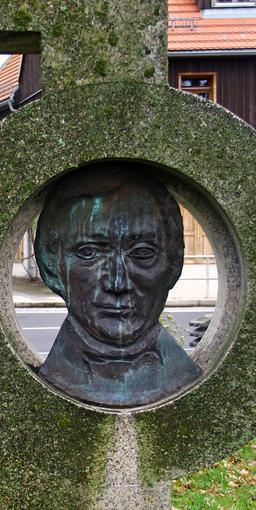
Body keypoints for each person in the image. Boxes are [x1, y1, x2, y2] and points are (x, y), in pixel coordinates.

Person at [34, 162, 201, 407]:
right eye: (89, 252)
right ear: (51, 267)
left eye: (142, 252)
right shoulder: (53, 373)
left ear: (173, 264)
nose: (117, 283)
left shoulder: (182, 374)